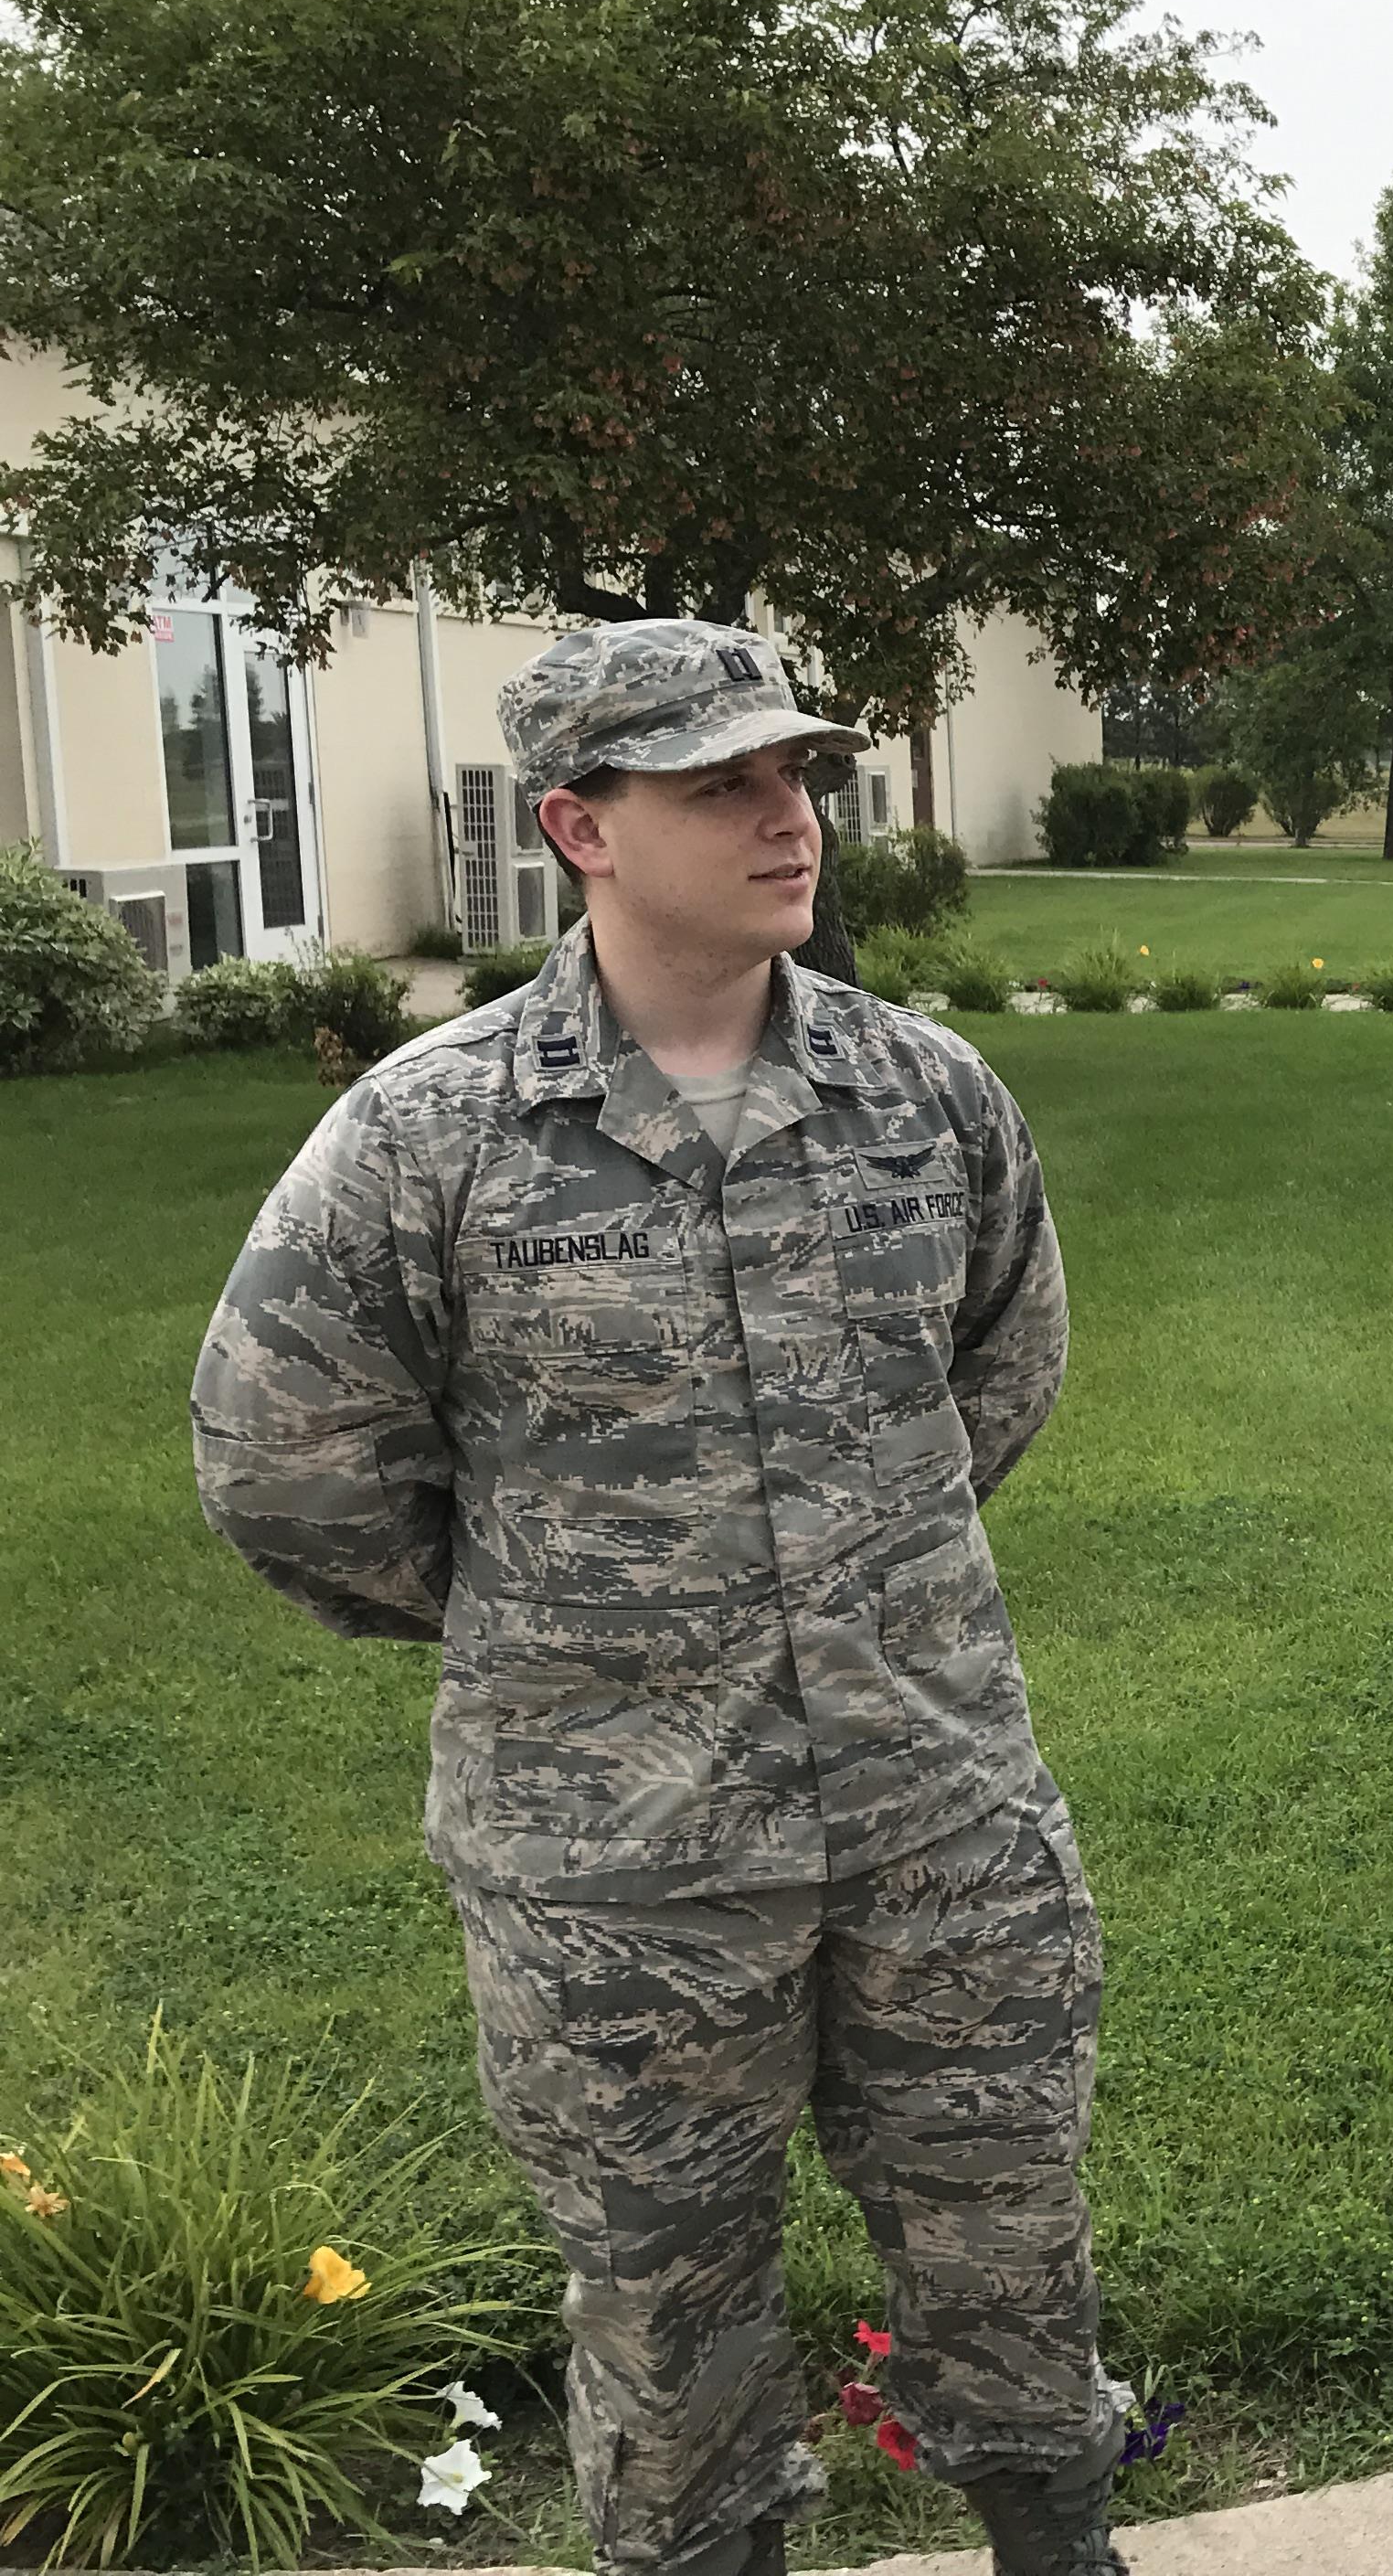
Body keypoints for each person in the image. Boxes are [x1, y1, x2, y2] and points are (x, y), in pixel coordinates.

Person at [192, 621, 1130, 2576]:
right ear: (578, 827)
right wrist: (549, 1620)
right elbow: (283, 1457)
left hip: (936, 1819)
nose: (793, 816)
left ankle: (1062, 2542)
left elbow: (998, 1380)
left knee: (1009, 2245)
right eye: (725, 784)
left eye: (798, 774)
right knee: (667, 2313)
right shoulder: (431, 1135)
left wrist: (845, 1580)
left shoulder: (923, 1098)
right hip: (610, 1868)